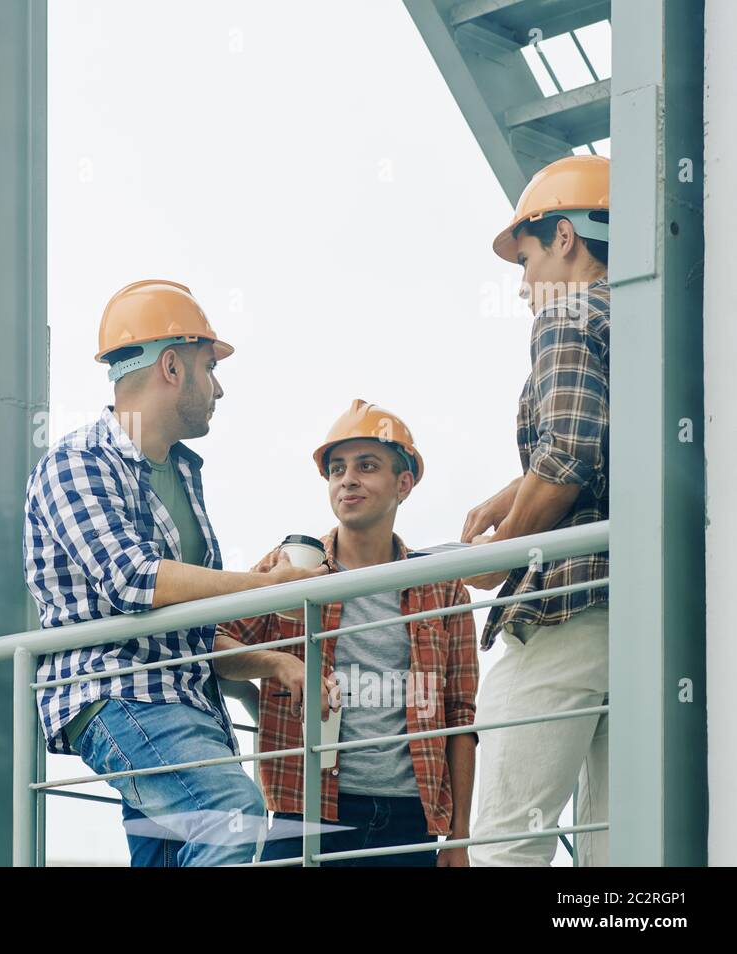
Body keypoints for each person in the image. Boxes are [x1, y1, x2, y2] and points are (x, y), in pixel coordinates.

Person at [22, 279, 327, 866]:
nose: (219, 387)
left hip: (183, 702)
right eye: (209, 367)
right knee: (235, 822)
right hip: (120, 696)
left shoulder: (182, 473)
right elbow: (136, 580)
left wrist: (269, 660)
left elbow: (184, 627)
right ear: (171, 366)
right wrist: (266, 588)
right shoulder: (78, 463)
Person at [214, 400, 478, 866]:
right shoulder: (291, 567)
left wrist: (457, 840)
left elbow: (461, 715)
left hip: (411, 821)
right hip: (306, 812)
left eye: (366, 466)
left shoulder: (444, 586)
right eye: (337, 469)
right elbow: (209, 643)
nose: (347, 479)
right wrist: (280, 664)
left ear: (404, 483)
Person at [461, 155, 611, 866]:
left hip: (568, 606)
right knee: (623, 847)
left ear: (565, 239)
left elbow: (568, 456)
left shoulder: (568, 314)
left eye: (524, 260)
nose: (522, 286)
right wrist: (508, 494)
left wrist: (501, 553)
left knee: (505, 841)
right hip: (638, 608)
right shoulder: (650, 316)